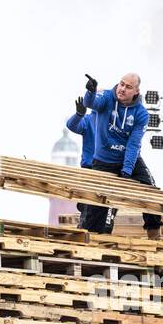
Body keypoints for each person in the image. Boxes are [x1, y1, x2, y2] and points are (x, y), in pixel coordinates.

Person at [82, 72, 163, 239]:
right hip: (103, 161)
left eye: (128, 87)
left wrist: (127, 170)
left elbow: (134, 144)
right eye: (121, 84)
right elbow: (90, 103)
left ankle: (154, 236)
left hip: (128, 160)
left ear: (136, 91)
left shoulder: (141, 114)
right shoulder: (106, 97)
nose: (122, 89)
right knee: (97, 203)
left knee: (152, 191)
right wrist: (90, 92)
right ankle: (92, 239)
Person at [65, 92, 99, 226]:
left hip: (108, 170)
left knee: (101, 210)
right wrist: (79, 115)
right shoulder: (89, 119)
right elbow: (72, 125)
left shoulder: (113, 121)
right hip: (90, 170)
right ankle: (85, 231)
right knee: (87, 208)